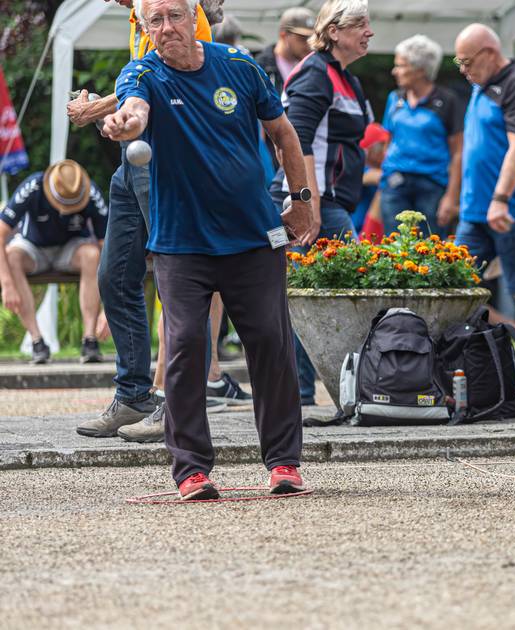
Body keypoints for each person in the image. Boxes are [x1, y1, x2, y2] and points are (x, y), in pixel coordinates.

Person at [104, 0, 315, 499]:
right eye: (154, 20)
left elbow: (283, 132)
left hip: (254, 235)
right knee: (184, 350)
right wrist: (123, 124)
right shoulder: (141, 73)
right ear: (144, 26)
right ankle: (191, 470)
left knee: (271, 343)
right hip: (182, 243)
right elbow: (135, 112)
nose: (166, 27)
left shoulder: (239, 66)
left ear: (193, 17)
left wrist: (302, 200)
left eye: (174, 15)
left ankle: (284, 462)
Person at [67, 0, 243, 442]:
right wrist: (108, 107)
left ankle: (182, 405)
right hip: (132, 162)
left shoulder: (175, 10)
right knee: (114, 277)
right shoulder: (139, 15)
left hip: (168, 157)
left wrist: (104, 109)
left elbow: (180, 72)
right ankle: (134, 396)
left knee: (182, 280)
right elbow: (143, 75)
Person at [269, 0, 373, 406]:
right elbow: (295, 142)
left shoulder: (347, 78)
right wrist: (305, 204)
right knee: (314, 292)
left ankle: (322, 390)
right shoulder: (314, 73)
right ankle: (301, 392)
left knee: (317, 293)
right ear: (334, 31)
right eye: (361, 24)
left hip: (333, 203)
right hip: (313, 204)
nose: (369, 31)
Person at [453, 23, 515, 344]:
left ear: (491, 53)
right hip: (474, 211)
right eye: (459, 63)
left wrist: (501, 198)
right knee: (455, 285)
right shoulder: (479, 85)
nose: (463, 70)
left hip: (512, 210)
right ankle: (511, 337)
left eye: (467, 62)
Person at [0, 160, 107, 364]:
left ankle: (90, 340)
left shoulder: (90, 191)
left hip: (72, 248)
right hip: (33, 248)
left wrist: (111, 302)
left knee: (93, 255)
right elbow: (1, 232)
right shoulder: (33, 186)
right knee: (12, 255)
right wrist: (7, 285)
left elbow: (106, 245)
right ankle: (37, 341)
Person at [380, 34, 464, 239]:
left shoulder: (447, 101)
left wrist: (451, 198)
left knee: (429, 250)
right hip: (395, 184)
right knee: (394, 248)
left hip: (432, 186)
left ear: (420, 70)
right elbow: (387, 142)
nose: (395, 71)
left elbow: (458, 153)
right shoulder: (395, 98)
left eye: (400, 65)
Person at [254, 7, 315, 96]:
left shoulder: (311, 66)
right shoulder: (260, 68)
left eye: (311, 39)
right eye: (303, 39)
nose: (309, 44)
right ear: (283, 35)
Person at [352, 122, 389, 232]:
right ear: (370, 150)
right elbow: (373, 177)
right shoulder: (359, 169)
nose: (387, 151)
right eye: (382, 145)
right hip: (358, 233)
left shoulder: (380, 169)